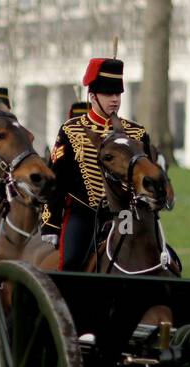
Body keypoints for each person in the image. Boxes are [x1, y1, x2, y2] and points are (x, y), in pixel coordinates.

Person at [41, 56, 154, 271]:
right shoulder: (71, 130)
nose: (115, 100)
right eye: (108, 94)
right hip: (85, 214)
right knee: (72, 263)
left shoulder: (136, 133)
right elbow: (57, 181)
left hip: (125, 215)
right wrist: (51, 224)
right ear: (92, 96)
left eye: (117, 94)